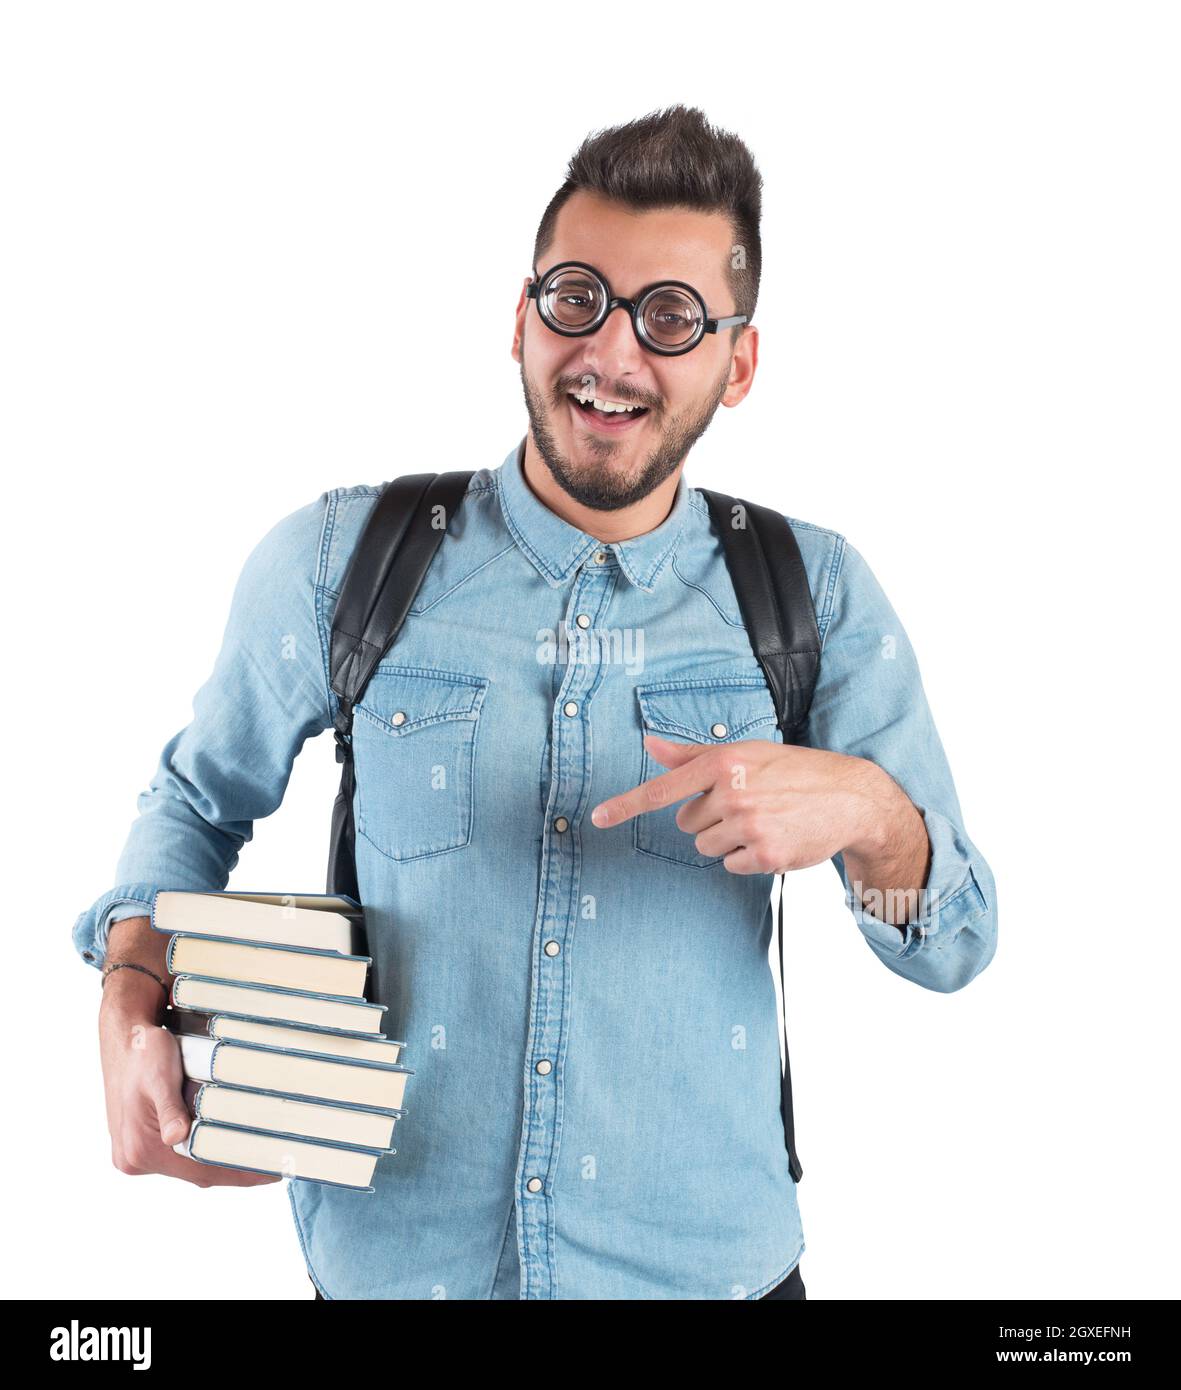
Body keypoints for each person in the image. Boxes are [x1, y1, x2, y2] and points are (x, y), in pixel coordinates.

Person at [75, 105, 997, 1300]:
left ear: (740, 361)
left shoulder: (809, 593)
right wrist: (129, 995)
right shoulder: (339, 561)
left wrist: (877, 815)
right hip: (396, 1273)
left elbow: (955, 943)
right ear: (519, 318)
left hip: (708, 1278)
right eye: (577, 299)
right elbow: (196, 800)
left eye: (669, 318)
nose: (610, 355)